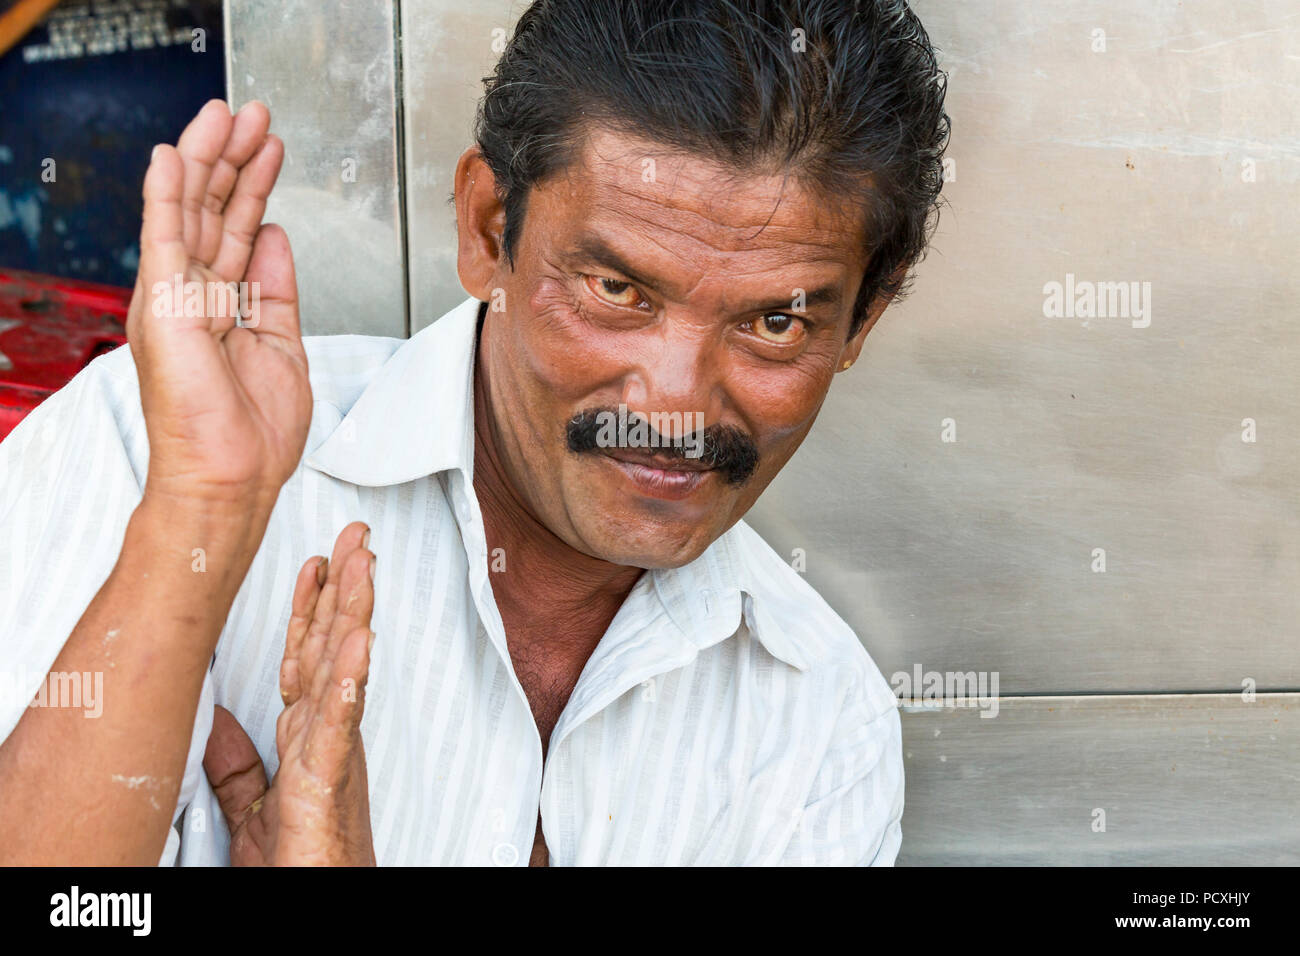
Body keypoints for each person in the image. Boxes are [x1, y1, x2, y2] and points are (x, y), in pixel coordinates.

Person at [0, 0, 949, 865]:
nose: (675, 406)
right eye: (616, 290)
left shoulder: (820, 728)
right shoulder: (149, 458)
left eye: (773, 324)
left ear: (860, 322)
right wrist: (198, 513)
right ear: (489, 229)